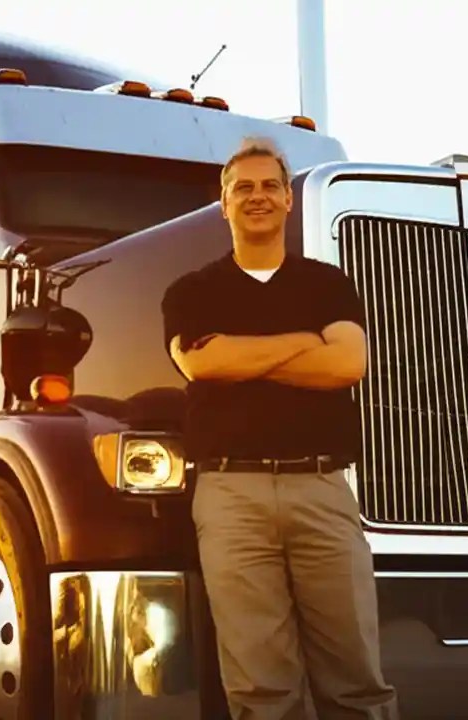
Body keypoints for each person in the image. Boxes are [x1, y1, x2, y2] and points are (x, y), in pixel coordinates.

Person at [160, 136, 399, 719]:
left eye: (270, 186)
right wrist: (302, 342)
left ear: (289, 200)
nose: (257, 196)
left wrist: (247, 356)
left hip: (322, 491)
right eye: (243, 187)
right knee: (261, 687)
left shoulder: (328, 284)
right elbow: (202, 363)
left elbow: (347, 363)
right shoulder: (192, 291)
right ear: (224, 204)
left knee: (357, 680)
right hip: (229, 496)